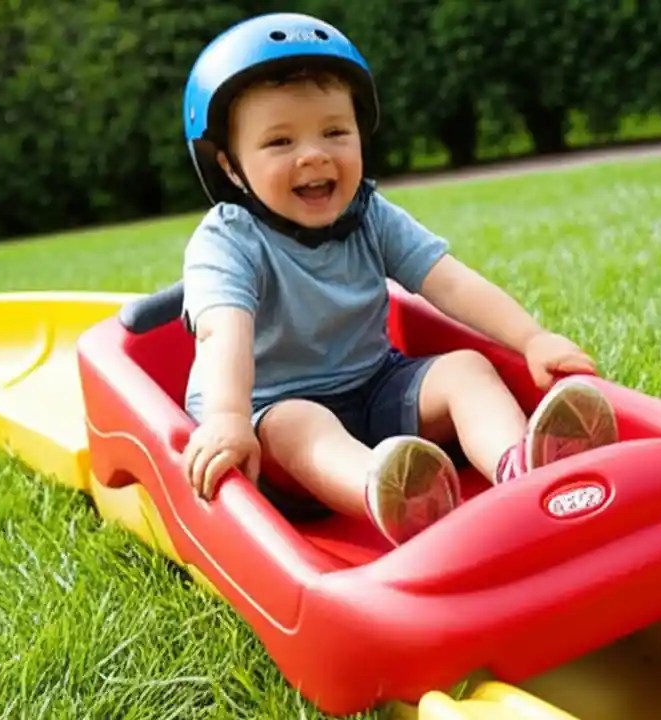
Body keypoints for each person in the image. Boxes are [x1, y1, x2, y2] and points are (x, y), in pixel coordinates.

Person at [177, 12, 618, 545]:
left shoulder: (370, 215)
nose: (314, 153)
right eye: (279, 142)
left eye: (335, 132)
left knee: (466, 368)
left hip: (374, 384)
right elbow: (224, 334)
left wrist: (532, 338)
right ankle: (390, 493)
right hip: (272, 415)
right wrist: (228, 417)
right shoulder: (228, 241)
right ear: (229, 167)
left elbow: (449, 282)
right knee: (299, 423)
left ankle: (521, 467)